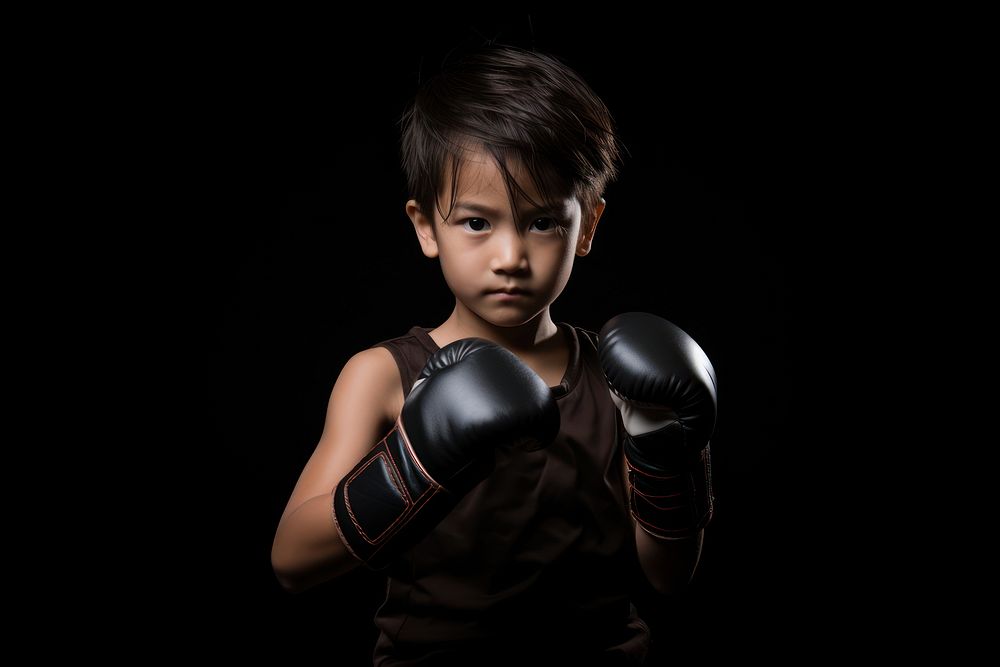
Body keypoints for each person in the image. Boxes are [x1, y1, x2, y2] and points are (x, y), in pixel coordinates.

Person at [271, 45, 718, 665]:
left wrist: (665, 451)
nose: (510, 257)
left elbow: (670, 577)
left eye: (542, 223)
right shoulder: (382, 377)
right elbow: (292, 561)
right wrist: (418, 457)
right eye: (477, 223)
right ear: (426, 226)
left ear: (587, 225)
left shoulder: (619, 379)